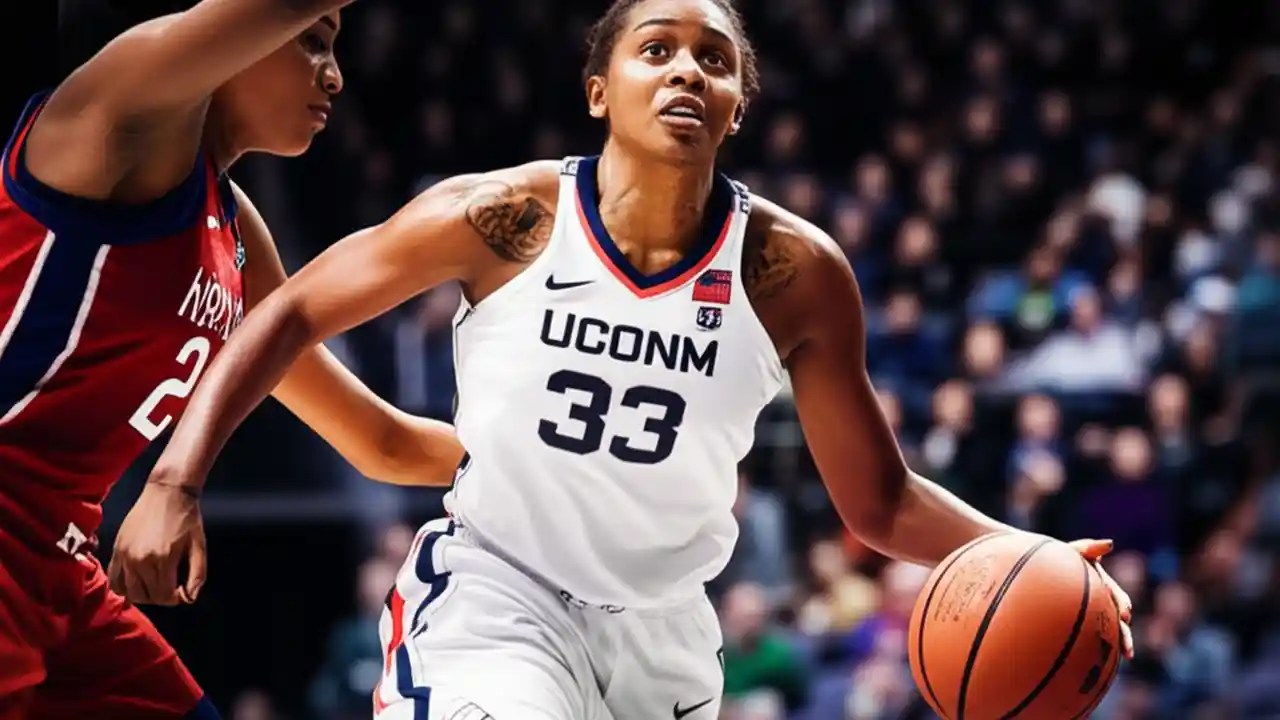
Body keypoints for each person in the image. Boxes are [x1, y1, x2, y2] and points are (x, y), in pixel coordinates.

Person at [135, 0, 1135, 717]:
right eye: (655, 48)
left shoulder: (793, 272)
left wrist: (1030, 555)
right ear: (597, 89)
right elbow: (289, 309)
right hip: (496, 599)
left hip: (663, 635)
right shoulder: (506, 216)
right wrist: (178, 478)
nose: (685, 70)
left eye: (712, 57)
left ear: (739, 104)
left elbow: (873, 503)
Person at [0, 0, 462, 717]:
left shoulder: (236, 231)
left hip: (58, 567)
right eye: (311, 41)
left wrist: (559, 464)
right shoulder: (117, 108)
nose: (335, 76)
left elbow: (380, 442)